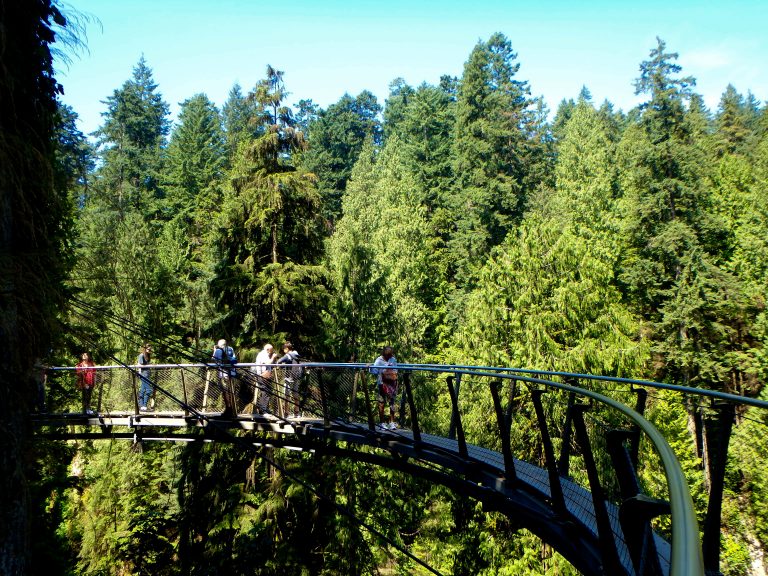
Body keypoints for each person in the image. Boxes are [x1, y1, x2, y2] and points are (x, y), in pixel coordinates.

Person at [371, 346, 398, 429]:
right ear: (384, 354)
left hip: (391, 384)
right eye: (388, 355)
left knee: (392, 403)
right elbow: (375, 371)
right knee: (381, 403)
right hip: (382, 383)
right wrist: (370, 367)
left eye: (390, 355)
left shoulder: (393, 359)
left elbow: (396, 370)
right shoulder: (379, 360)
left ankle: (392, 423)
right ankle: (382, 423)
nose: (390, 357)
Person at [212, 339, 238, 418]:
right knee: (231, 391)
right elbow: (234, 358)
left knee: (225, 391)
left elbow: (214, 359)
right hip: (232, 373)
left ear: (219, 344)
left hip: (224, 373)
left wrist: (214, 350)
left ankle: (228, 409)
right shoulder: (230, 349)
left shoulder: (218, 350)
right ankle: (233, 409)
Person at [276, 341, 302, 417]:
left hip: (289, 378)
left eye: (284, 349)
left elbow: (278, 362)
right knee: (295, 395)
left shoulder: (288, 355)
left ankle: (286, 413)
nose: (283, 351)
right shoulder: (297, 355)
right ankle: (296, 412)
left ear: (287, 348)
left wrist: (281, 366)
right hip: (296, 377)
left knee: (286, 395)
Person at [253, 343, 277, 413]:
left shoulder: (266, 354)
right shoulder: (263, 354)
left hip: (266, 376)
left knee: (267, 392)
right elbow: (267, 363)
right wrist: (272, 358)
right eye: (271, 350)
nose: (272, 351)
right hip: (262, 376)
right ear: (268, 349)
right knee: (265, 392)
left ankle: (264, 408)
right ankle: (263, 410)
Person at [137, 344, 153, 412]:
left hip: (147, 375)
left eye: (150, 349)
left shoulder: (148, 356)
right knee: (149, 390)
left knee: (143, 390)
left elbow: (146, 364)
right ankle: (143, 405)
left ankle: (143, 407)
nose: (150, 350)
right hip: (143, 375)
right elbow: (139, 364)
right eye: (148, 349)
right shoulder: (141, 355)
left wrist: (150, 365)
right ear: (145, 349)